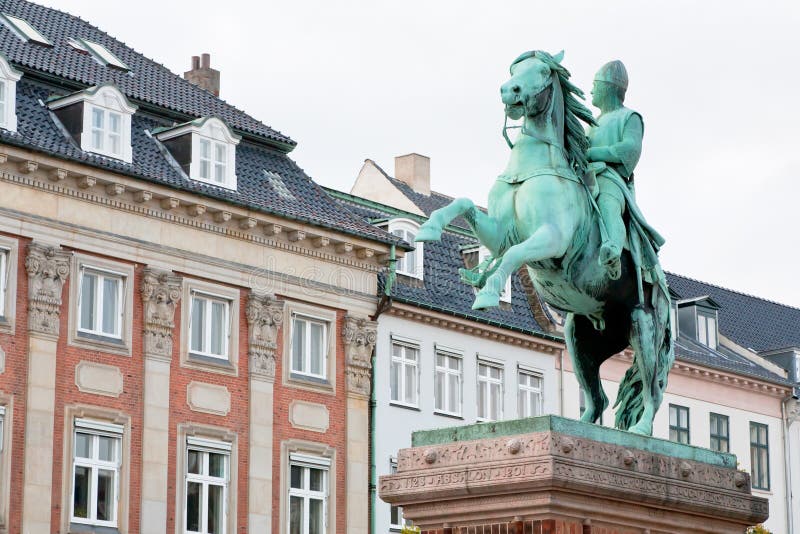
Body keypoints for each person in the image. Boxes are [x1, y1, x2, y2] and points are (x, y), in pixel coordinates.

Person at [587, 60, 643, 280]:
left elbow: (630, 149)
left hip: (611, 179)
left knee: (608, 204)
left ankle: (612, 250)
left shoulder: (630, 117)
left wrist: (594, 153)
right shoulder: (592, 122)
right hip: (587, 176)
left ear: (608, 87)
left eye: (595, 84)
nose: (591, 89)